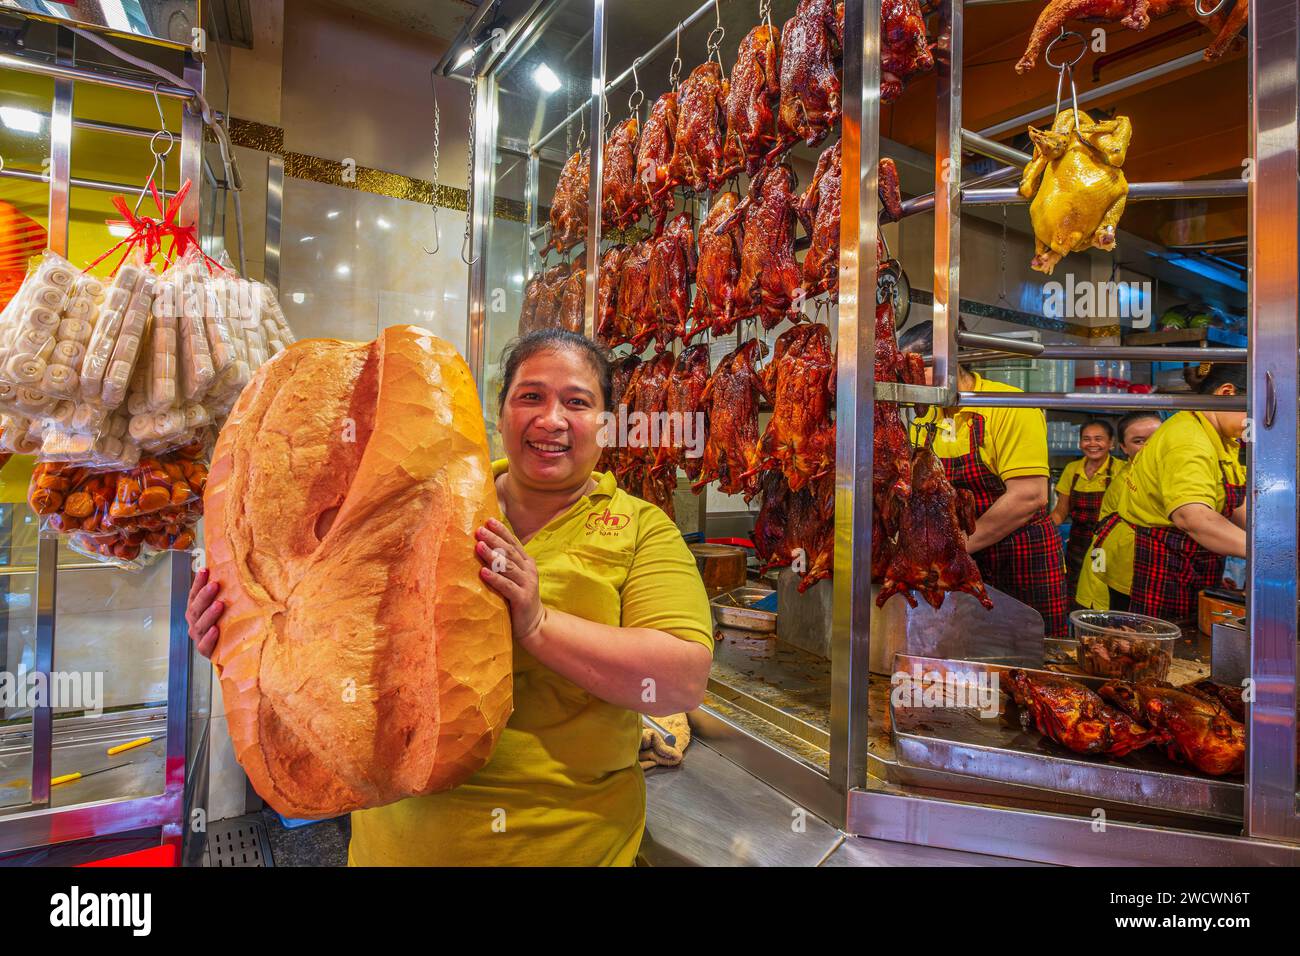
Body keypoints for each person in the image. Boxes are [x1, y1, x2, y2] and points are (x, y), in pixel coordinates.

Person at [187, 328, 715, 866]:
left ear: (604, 424)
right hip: (393, 850)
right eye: (530, 396)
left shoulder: (639, 527)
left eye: (577, 403)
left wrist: (536, 623)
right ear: (503, 411)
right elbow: (315, 614)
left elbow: (679, 682)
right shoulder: (426, 489)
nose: (551, 419)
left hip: (567, 846)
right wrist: (244, 635)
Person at [898, 321, 1068, 638]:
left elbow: (1029, 496)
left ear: (947, 362)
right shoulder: (926, 415)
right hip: (958, 558)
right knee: (964, 653)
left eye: (914, 371)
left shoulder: (1010, 405)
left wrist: (958, 547)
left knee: (1028, 654)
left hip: (1018, 556)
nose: (908, 383)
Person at [1076, 364, 1247, 622]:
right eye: (1255, 411)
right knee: (1153, 646)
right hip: (1160, 564)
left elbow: (1236, 506)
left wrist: (1278, 540)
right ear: (1226, 392)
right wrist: (1269, 553)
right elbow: (1193, 517)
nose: (1254, 424)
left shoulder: (1221, 437)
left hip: (1187, 561)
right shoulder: (1188, 440)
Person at [1049, 419, 1121, 602]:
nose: (1092, 444)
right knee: (1075, 592)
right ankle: (1077, 629)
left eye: (1099, 438)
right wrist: (1043, 530)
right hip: (1077, 543)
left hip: (1105, 545)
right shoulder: (1072, 469)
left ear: (1111, 443)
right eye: (1086, 439)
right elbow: (1060, 511)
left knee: (1100, 591)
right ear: (1080, 443)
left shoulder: (1121, 470)